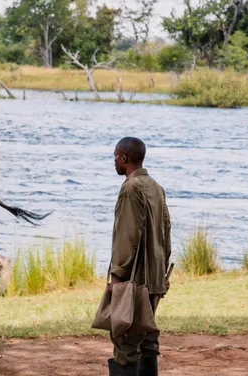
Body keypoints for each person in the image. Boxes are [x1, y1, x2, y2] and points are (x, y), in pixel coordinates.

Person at [107, 137, 171, 376]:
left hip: (135, 281)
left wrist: (117, 275)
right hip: (153, 279)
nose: (113, 160)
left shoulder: (131, 188)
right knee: (148, 341)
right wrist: (163, 272)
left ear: (124, 158)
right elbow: (167, 230)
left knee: (125, 341)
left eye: (115, 156)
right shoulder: (156, 186)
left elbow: (127, 236)